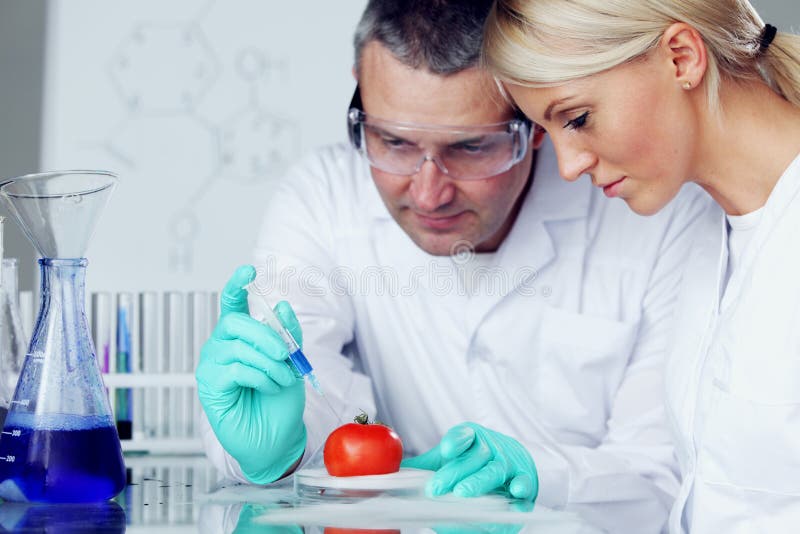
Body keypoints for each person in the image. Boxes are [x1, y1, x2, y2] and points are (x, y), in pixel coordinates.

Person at [196, 0, 709, 529]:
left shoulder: (655, 214)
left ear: (535, 119)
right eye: (394, 141)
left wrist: (546, 477)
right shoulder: (323, 197)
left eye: (471, 148)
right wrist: (276, 451)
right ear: (360, 91)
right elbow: (303, 400)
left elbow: (663, 478)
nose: (429, 193)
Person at [482, 1, 800, 532]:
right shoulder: (710, 232)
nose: (568, 166)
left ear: (681, 58)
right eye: (548, 130)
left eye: (578, 119)